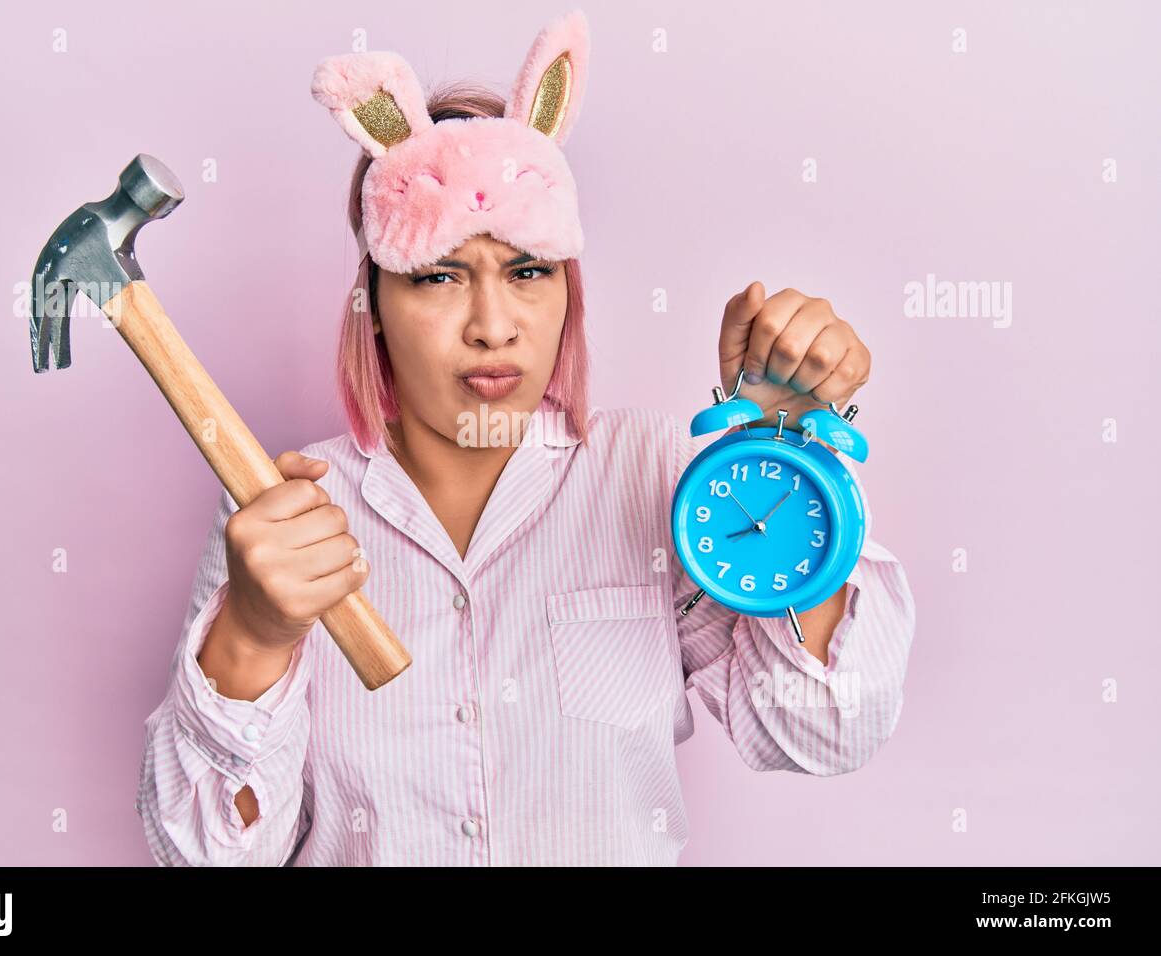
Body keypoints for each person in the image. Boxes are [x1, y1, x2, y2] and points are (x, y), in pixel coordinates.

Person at [135, 9, 915, 866]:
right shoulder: (284, 515)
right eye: (438, 276)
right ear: (376, 307)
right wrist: (252, 631)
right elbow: (203, 857)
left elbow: (827, 731)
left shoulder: (659, 480)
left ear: (566, 291)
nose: (492, 326)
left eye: (527, 271)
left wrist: (780, 461)